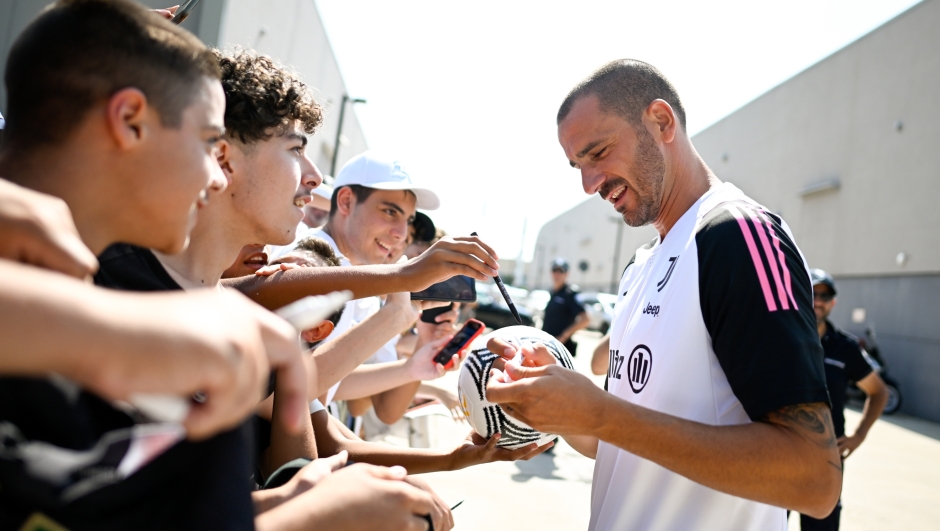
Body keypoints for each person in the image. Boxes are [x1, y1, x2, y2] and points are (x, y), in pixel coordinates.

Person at [485, 59, 842, 531]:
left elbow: (814, 481)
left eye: (598, 153)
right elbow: (617, 442)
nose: (589, 184)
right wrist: (561, 407)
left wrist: (603, 414)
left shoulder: (738, 235)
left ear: (661, 121)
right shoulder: (641, 266)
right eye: (578, 166)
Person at [800, 269, 888, 530]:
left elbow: (878, 391)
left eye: (825, 295)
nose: (818, 300)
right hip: (780, 447)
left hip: (827, 456)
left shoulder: (846, 347)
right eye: (813, 293)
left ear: (833, 302)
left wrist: (859, 435)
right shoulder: (782, 338)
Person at [541, 257, 589, 356]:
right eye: (555, 270)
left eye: (561, 271)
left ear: (567, 274)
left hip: (560, 348)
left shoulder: (570, 293)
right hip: (547, 344)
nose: (557, 274)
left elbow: (585, 319)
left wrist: (564, 336)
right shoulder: (552, 291)